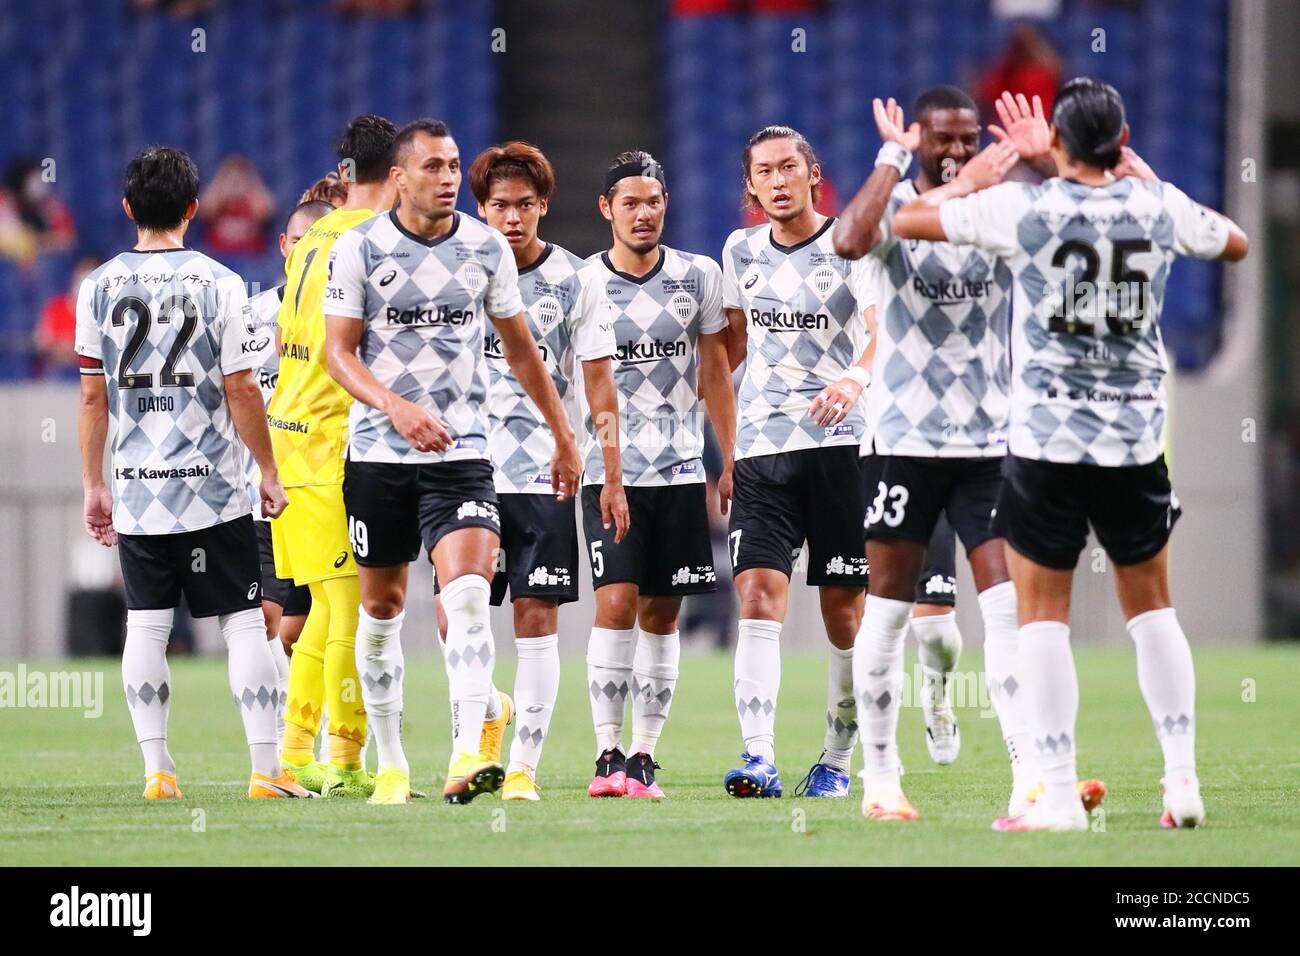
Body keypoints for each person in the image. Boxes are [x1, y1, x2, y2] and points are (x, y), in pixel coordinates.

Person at [889, 77, 1248, 831]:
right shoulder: (1154, 207)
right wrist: (1136, 173)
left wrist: (990, 173)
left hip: (1047, 441)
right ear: (1120, 143)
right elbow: (1235, 241)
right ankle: (1181, 781)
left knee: (1042, 619)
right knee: (1153, 610)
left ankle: (1056, 799)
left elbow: (914, 219)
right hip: (1134, 438)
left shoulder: (1026, 209)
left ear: (1056, 143)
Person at [833, 86, 1102, 821]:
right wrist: (891, 157)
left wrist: (1048, 158)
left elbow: (1092, 217)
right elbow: (850, 240)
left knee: (1011, 615)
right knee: (887, 616)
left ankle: (1031, 780)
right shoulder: (892, 211)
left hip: (989, 445)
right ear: (918, 140)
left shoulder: (1006, 207)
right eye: (940, 139)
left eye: (965, 139)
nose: (955, 151)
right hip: (902, 444)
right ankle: (882, 781)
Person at [324, 119, 588, 805]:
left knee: (467, 596)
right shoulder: (359, 249)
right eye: (434, 167)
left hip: (465, 453)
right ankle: (389, 764)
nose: (447, 178)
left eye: (453, 165)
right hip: (380, 454)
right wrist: (395, 408)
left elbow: (524, 350)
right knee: (379, 612)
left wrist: (564, 436)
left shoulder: (484, 250)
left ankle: (471, 749)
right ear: (402, 176)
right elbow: (339, 354)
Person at [75, 145, 309, 800]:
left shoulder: (98, 286)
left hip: (139, 490)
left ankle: (158, 771)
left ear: (127, 209)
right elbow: (241, 387)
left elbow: (93, 396)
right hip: (212, 487)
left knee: (146, 624)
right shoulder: (221, 283)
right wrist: (267, 468)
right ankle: (265, 769)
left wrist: (95, 485)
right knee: (241, 623)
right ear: (194, 209)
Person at [468, 141, 628, 801]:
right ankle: (480, 722)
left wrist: (609, 472)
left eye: (524, 205)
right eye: (499, 205)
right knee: (462, 613)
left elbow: (598, 385)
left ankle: (523, 769)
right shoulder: (455, 271)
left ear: (544, 206)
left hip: (544, 470)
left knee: (537, 614)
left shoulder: (576, 279)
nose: (512, 218)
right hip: (465, 466)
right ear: (480, 208)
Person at [719, 126, 874, 799]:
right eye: (764, 172)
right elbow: (726, 349)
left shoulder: (850, 244)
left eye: (789, 167)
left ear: (814, 173)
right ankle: (759, 759)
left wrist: (854, 380)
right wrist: (722, 450)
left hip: (842, 449)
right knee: (756, 595)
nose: (778, 181)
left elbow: (880, 331)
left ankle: (837, 760)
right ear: (750, 187)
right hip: (762, 450)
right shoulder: (739, 251)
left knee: (844, 612)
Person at [579, 150, 736, 799]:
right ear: (606, 210)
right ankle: (606, 750)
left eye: (652, 202)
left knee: (662, 615)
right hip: (607, 468)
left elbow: (718, 370)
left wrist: (727, 459)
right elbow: (583, 381)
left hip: (677, 470)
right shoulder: (582, 283)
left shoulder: (698, 276)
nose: (642, 214)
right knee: (615, 602)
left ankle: (644, 753)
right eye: (630, 203)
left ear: (665, 204)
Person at [267, 114, 399, 798]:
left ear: (344, 173)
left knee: (323, 605)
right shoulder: (375, 241)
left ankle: (294, 754)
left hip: (293, 433)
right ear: (399, 171)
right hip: (327, 440)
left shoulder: (315, 229)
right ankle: (343, 759)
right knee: (351, 606)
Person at [245, 200, 332, 743]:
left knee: (310, 627)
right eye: (299, 243)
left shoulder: (342, 318)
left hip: (322, 485)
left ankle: (320, 740)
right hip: (263, 490)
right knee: (267, 618)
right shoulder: (250, 315)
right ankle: (276, 747)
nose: (307, 254)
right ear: (284, 246)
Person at [36, 254, 100, 378]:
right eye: (82, 277)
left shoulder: (104, 313)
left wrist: (74, 348)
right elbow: (42, 343)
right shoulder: (55, 306)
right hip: (58, 372)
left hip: (91, 373)